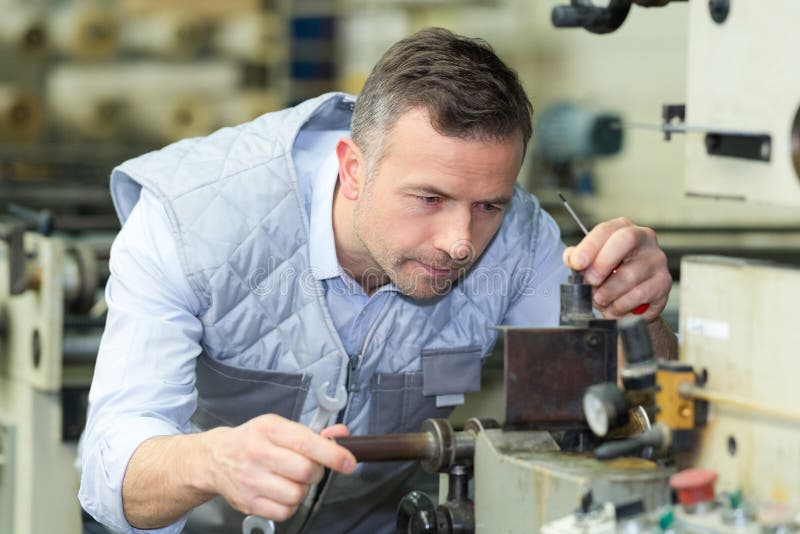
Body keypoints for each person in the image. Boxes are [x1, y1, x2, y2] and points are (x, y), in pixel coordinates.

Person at [79, 27, 676, 533]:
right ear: (353, 169)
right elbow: (109, 467)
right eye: (428, 198)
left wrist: (635, 313)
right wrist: (210, 460)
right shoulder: (192, 222)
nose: (460, 240)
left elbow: (626, 405)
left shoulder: (519, 237)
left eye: (488, 205)